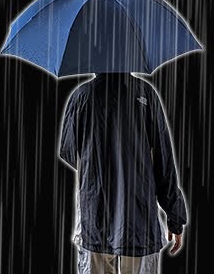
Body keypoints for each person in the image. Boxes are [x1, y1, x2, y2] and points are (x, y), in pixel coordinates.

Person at [58, 72, 189, 273]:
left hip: (94, 215)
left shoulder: (81, 96)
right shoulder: (145, 93)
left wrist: (98, 167)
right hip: (139, 217)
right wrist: (175, 217)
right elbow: (164, 161)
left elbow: (67, 151)